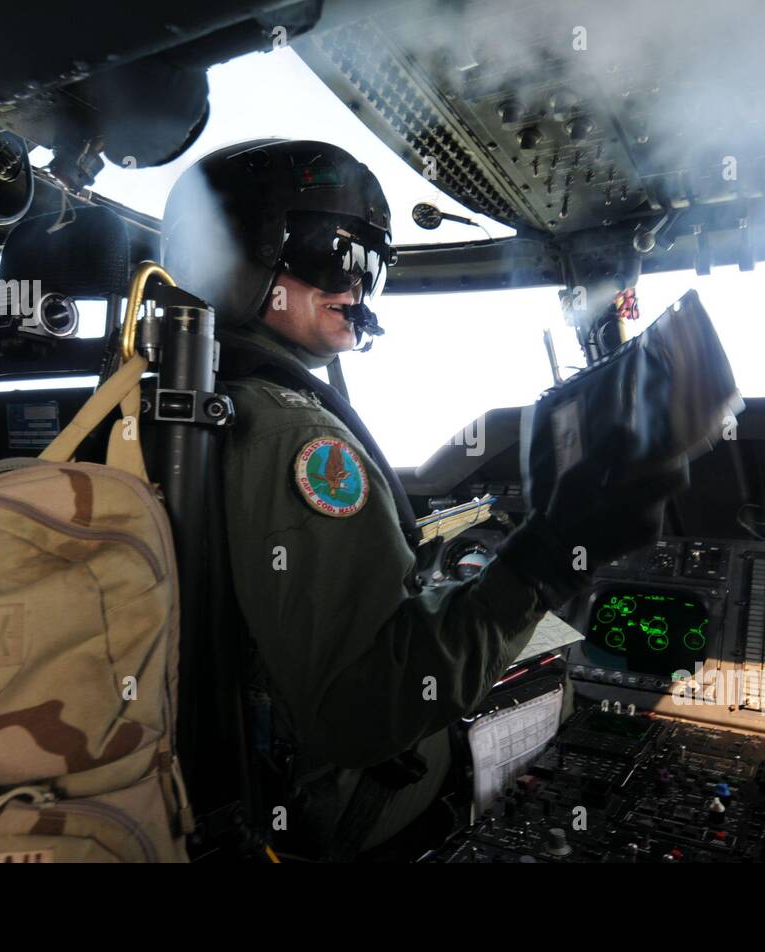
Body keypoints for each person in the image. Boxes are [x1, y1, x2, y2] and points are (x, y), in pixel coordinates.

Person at [161, 139, 673, 860]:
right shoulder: (290, 431)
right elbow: (365, 709)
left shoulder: (165, 404)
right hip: (323, 807)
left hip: (215, 781)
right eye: (335, 256)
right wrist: (544, 560)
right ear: (239, 255)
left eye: (373, 265)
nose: (357, 286)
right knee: (547, 677)